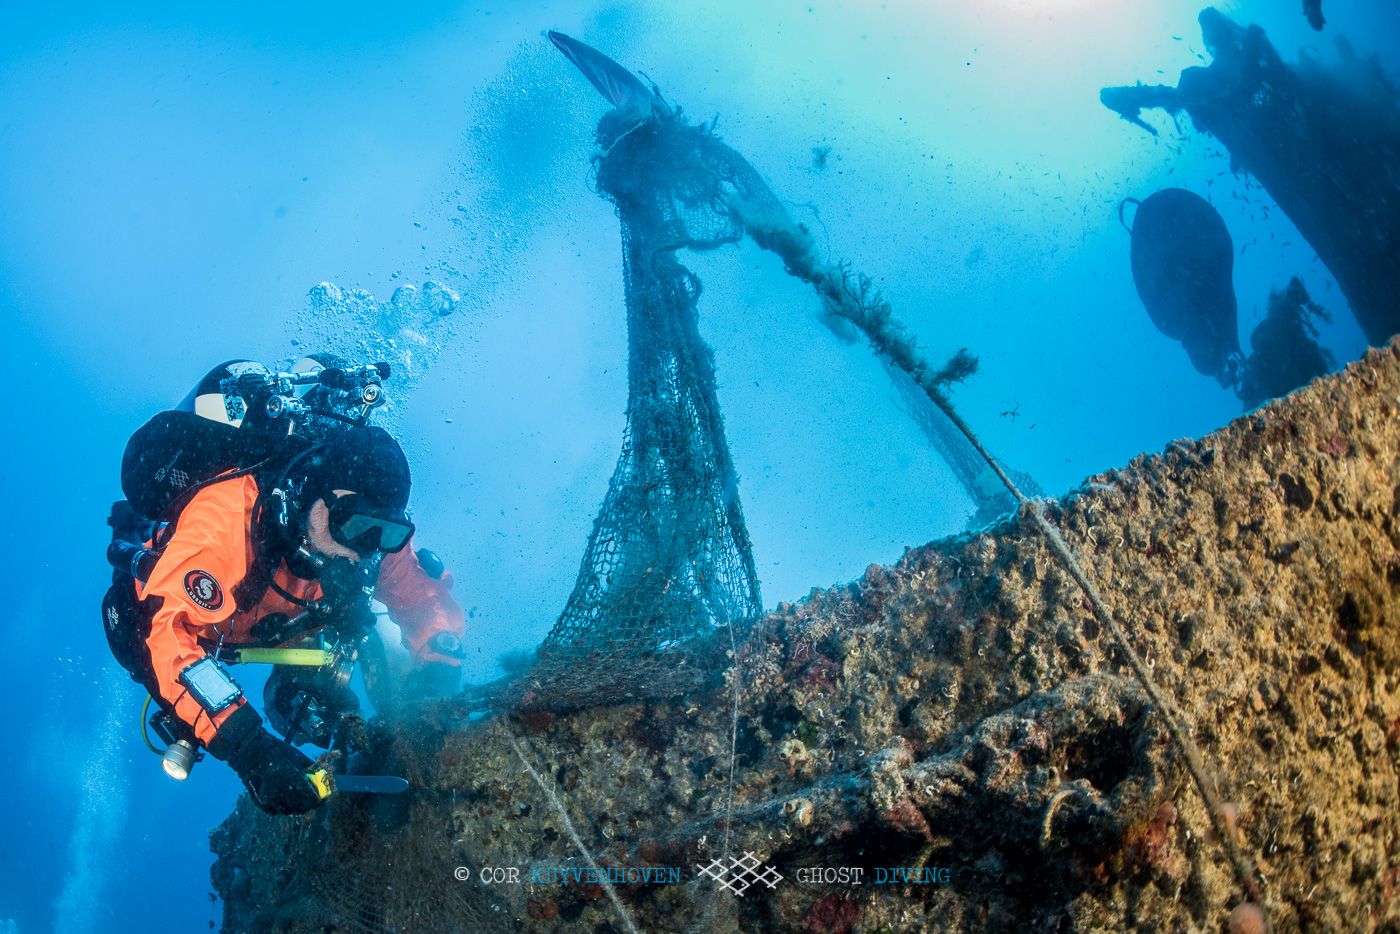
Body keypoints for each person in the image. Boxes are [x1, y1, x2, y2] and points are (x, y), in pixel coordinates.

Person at [106, 422, 465, 815]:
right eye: (352, 524)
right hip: (181, 621)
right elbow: (165, 634)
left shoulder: (374, 544)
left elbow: (427, 603)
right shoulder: (230, 518)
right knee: (134, 636)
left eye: (388, 532)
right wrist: (248, 746)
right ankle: (132, 527)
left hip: (288, 631)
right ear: (313, 493)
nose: (360, 551)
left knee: (312, 708)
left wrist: (437, 678)